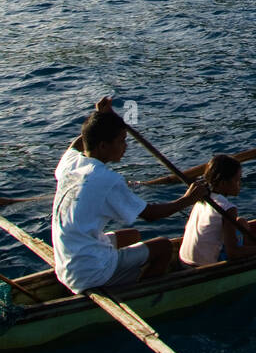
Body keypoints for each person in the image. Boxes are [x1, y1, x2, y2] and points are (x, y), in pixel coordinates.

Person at [52, 96, 208, 295]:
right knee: (163, 247)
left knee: (132, 236)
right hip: (91, 272)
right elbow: (150, 214)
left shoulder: (70, 163)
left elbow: (82, 141)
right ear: (102, 146)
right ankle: (143, 295)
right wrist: (188, 199)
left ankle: (126, 273)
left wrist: (101, 117)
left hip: (67, 265)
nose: (125, 146)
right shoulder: (106, 179)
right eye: (121, 141)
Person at [179, 155, 256, 266]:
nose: (240, 184)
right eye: (237, 180)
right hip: (205, 265)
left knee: (241, 222)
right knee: (242, 226)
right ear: (223, 183)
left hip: (183, 260)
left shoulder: (201, 198)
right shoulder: (228, 208)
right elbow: (233, 253)